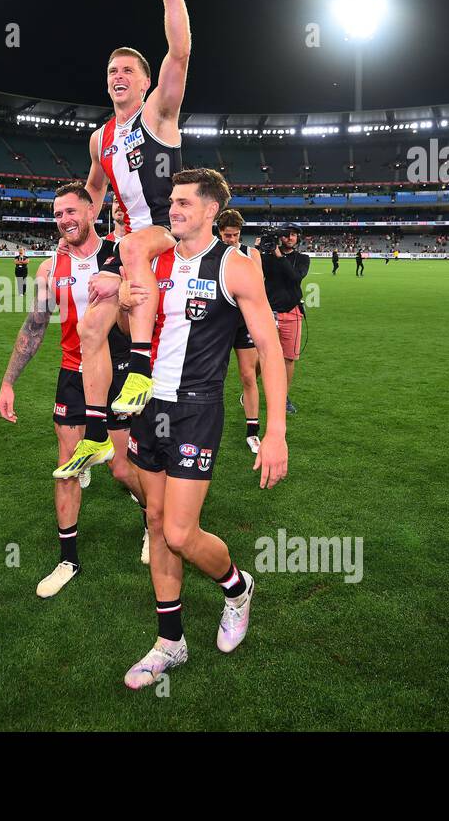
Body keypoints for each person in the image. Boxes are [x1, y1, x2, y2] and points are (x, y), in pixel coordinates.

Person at [122, 169, 288, 690]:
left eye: (184, 203)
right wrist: (124, 302)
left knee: (179, 531)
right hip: (150, 405)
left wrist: (276, 431)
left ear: (212, 211)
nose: (172, 210)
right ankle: (170, 642)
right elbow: (145, 329)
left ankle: (237, 589)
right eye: (171, 202)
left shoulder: (235, 268)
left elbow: (270, 351)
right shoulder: (158, 260)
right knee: (154, 520)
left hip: (196, 409)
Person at [59, 0, 192, 478]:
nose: (118, 76)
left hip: (169, 229)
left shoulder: (158, 113)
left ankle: (139, 367)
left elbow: (179, 51)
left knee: (134, 246)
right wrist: (76, 218)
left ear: (144, 84)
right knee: (89, 326)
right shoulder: (100, 138)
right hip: (128, 240)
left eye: (127, 71)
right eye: (111, 71)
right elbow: (92, 188)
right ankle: (95, 431)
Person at [0, 184, 147, 599]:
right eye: (57, 214)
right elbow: (34, 326)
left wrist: (121, 297)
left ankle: (152, 520)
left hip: (115, 372)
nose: (64, 220)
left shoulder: (119, 255)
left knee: (121, 467)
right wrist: (9, 382)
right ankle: (68, 558)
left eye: (70, 211)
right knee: (67, 466)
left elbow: (132, 322)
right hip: (72, 373)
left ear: (90, 210)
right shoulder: (49, 268)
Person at [216, 209, 265, 454]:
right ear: (219, 233)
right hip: (219, 323)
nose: (231, 239)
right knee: (212, 376)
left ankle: (252, 432)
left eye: (235, 235)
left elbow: (259, 286)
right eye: (227, 235)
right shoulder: (211, 254)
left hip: (244, 322)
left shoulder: (251, 253)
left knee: (248, 375)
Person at [258, 224, 309, 415]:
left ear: (298, 238)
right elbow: (255, 272)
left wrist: (279, 256)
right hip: (268, 312)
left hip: (292, 312)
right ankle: (250, 388)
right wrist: (259, 250)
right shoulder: (268, 256)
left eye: (293, 235)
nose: (289, 238)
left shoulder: (302, 259)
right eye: (286, 234)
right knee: (261, 355)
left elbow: (295, 278)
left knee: (288, 357)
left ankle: (283, 397)